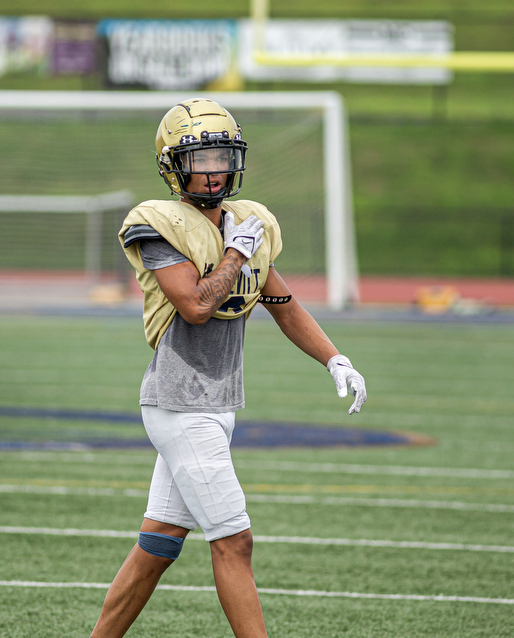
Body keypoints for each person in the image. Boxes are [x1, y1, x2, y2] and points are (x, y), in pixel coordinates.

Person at [90, 98, 368, 638]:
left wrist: (334, 358)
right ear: (174, 166)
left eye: (222, 156)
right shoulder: (159, 226)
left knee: (159, 543)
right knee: (235, 540)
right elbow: (196, 306)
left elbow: (283, 305)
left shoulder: (248, 223)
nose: (214, 170)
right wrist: (235, 255)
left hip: (217, 402)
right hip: (180, 403)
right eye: (201, 158)